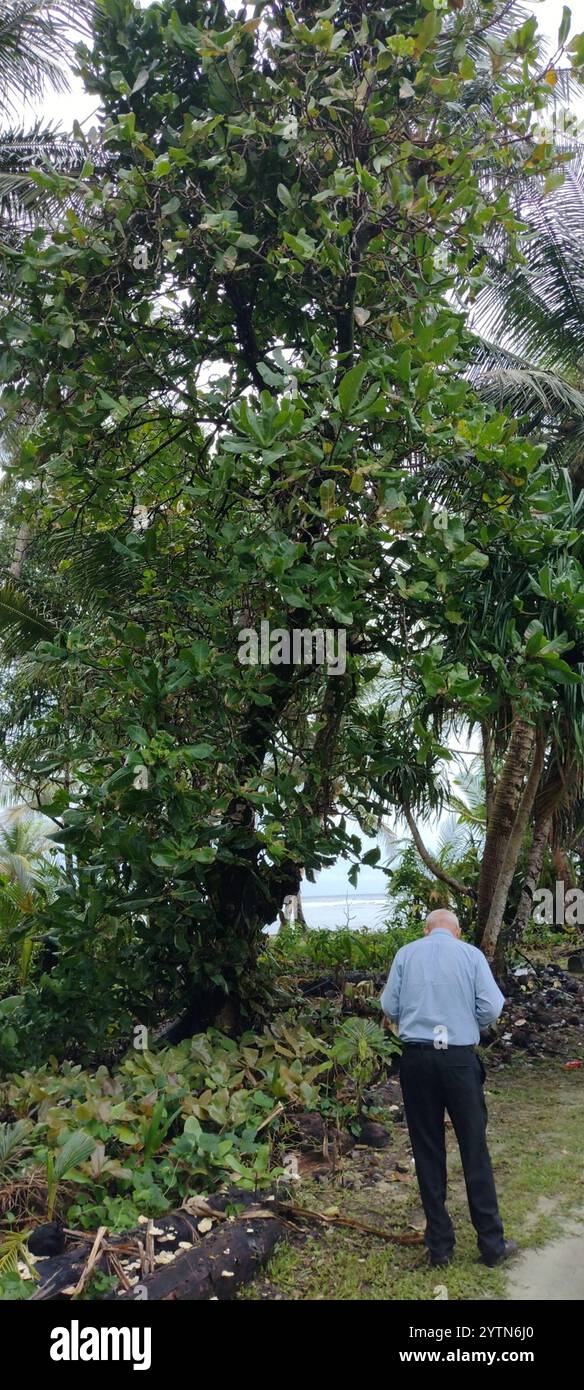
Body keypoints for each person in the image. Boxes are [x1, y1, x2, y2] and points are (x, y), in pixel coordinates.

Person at [380, 908, 517, 1269]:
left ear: (427, 930)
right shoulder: (470, 955)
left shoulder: (406, 954)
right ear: (456, 932)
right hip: (458, 1059)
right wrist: (464, 1017)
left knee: (427, 1150)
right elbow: (491, 1006)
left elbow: (388, 1005)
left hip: (417, 1061)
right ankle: (491, 1245)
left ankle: (440, 1247)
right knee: (474, 1149)